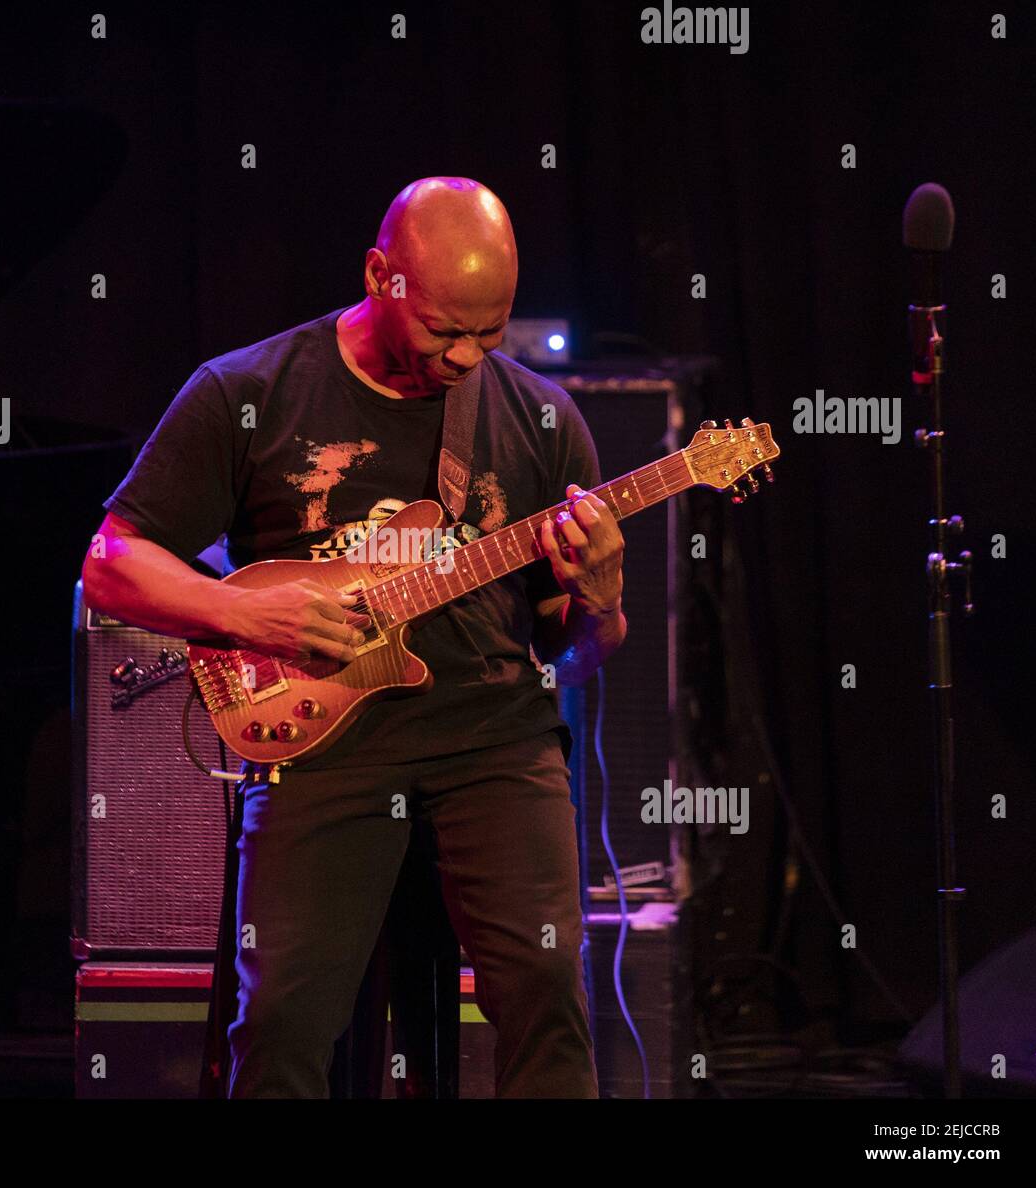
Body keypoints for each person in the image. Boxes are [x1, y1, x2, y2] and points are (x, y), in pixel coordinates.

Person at [82, 176, 627, 1098]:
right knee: (286, 1022)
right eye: (445, 330)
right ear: (382, 276)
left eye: (489, 335)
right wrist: (245, 612)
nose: (464, 358)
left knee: (546, 991)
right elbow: (111, 561)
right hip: (323, 751)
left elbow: (575, 654)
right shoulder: (249, 391)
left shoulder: (540, 420)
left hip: (495, 742)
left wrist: (602, 601)